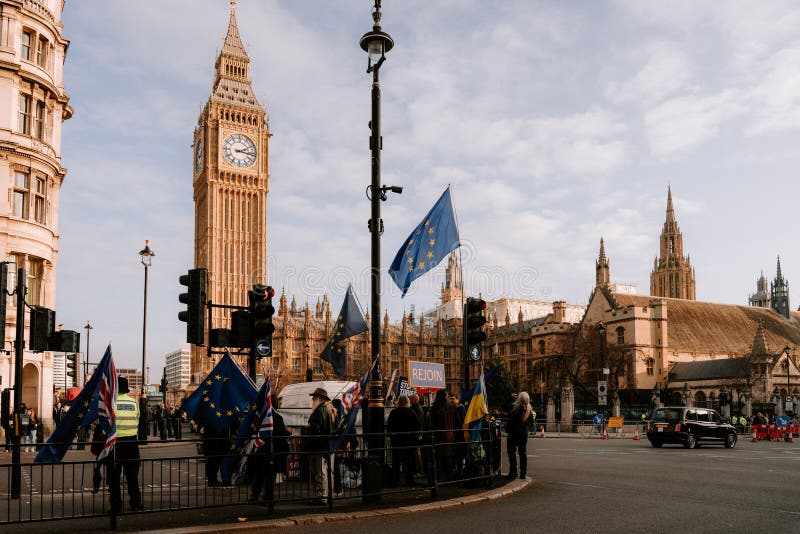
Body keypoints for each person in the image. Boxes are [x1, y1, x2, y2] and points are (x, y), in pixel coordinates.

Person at [108, 376, 142, 512]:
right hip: (132, 442)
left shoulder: (112, 403)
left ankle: (116, 505)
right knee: (132, 475)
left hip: (116, 444)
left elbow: (105, 423)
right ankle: (135, 502)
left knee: (114, 476)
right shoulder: (134, 403)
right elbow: (138, 419)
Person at [249, 395, 291, 503]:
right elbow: (281, 433)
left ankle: (254, 496)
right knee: (269, 476)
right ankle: (267, 497)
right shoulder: (275, 417)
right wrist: (288, 432)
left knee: (258, 475)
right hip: (271, 450)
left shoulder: (261, 415)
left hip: (260, 449)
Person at [306, 387, 333, 504]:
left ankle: (321, 496)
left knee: (319, 472)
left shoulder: (319, 411)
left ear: (320, 399)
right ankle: (324, 495)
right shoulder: (327, 410)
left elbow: (315, 430)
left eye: (315, 397)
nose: (312, 399)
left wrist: (309, 436)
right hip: (324, 445)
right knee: (323, 472)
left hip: (318, 446)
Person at [387, 396, 420, 487]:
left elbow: (389, 426)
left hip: (396, 440)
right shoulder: (411, 412)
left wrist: (392, 436)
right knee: (408, 462)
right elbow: (417, 425)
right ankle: (409, 480)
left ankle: (395, 481)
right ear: (407, 402)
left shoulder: (394, 412)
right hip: (409, 441)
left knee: (396, 461)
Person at [427, 390, 459, 482]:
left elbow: (431, 423)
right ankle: (449, 478)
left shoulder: (435, 408)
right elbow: (457, 422)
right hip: (451, 435)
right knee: (449, 458)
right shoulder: (452, 407)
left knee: (438, 458)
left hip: (439, 436)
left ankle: (439, 479)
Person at [505, 391, 533, 480]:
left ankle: (513, 472)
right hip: (523, 433)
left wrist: (510, 398)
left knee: (511, 452)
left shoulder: (515, 408)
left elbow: (505, 407)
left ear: (519, 398)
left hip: (513, 433)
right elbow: (531, 423)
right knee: (522, 453)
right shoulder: (529, 409)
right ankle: (523, 474)